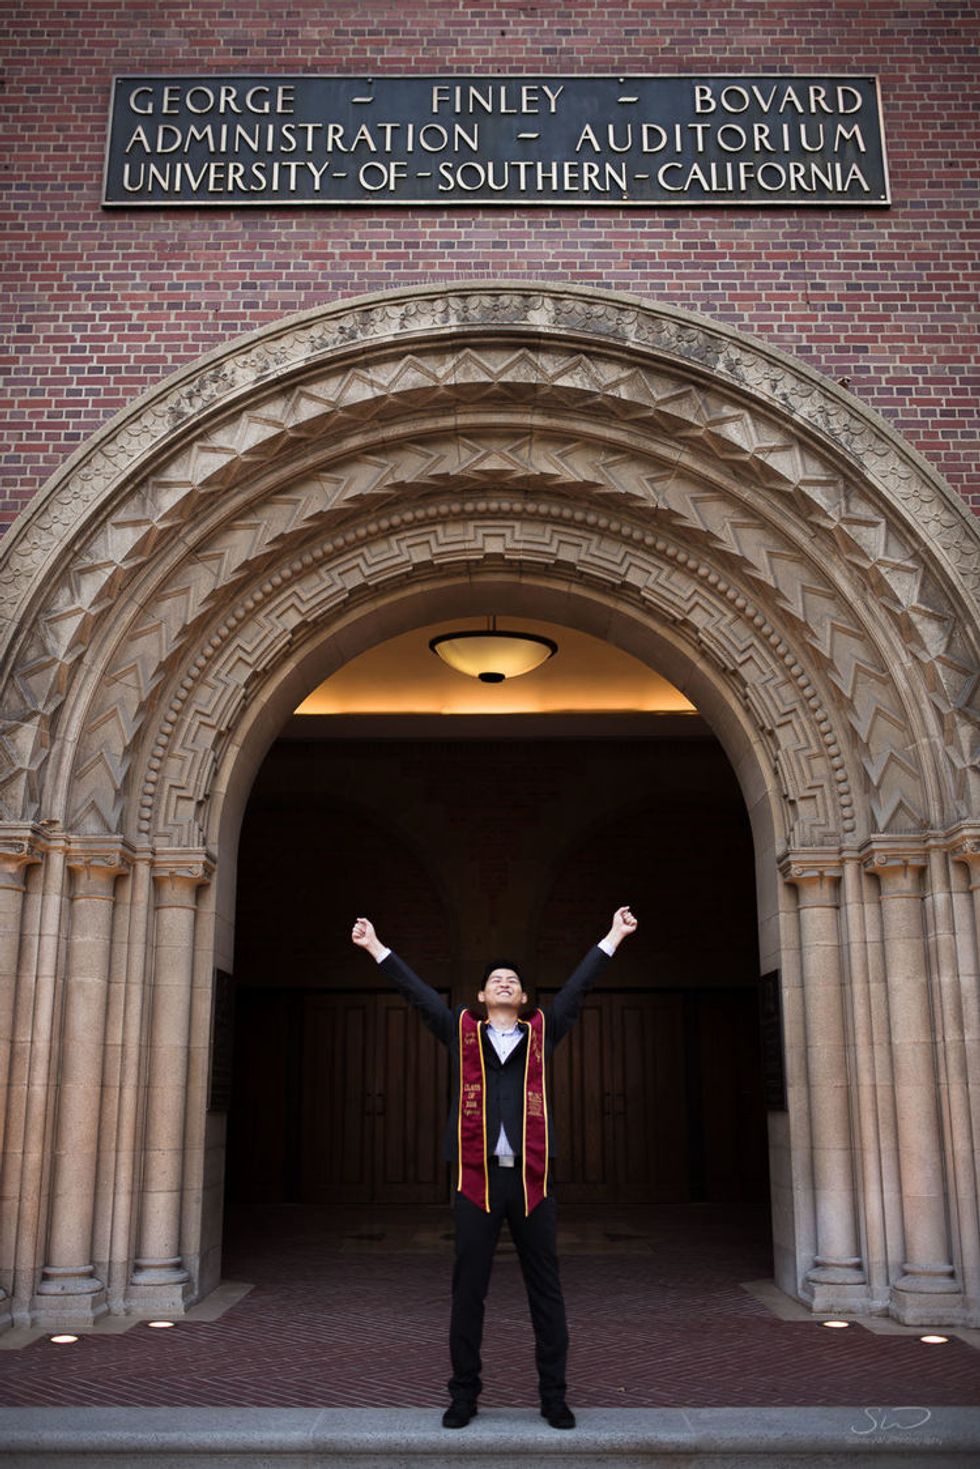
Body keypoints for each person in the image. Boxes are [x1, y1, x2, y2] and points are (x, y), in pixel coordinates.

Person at [351, 905, 638, 1430]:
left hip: (532, 1181)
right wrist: (375, 947)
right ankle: (464, 1395)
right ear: (481, 996)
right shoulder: (460, 1032)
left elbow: (578, 988)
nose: (504, 983)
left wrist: (614, 935)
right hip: (476, 1181)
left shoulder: (542, 1034)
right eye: (495, 980)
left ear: (524, 998)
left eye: (513, 981)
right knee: (468, 1293)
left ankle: (553, 1397)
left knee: (546, 1292)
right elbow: (417, 994)